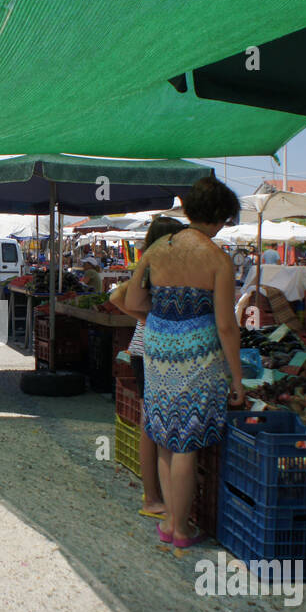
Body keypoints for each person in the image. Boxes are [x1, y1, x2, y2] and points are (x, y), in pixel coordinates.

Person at [124, 177, 245, 548]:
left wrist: (163, 318)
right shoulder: (217, 258)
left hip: (159, 351)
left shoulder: (158, 248)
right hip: (199, 356)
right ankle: (180, 529)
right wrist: (237, 380)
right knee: (187, 443)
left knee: (163, 437)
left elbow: (132, 302)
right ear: (221, 217)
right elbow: (226, 326)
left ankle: (170, 522)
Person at [110, 214, 186, 520]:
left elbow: (117, 296)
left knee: (150, 424)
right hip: (152, 353)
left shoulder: (152, 269)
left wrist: (145, 318)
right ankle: (154, 497)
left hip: (145, 352)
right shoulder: (158, 270)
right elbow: (116, 296)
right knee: (152, 426)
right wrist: (149, 319)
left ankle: (155, 496)